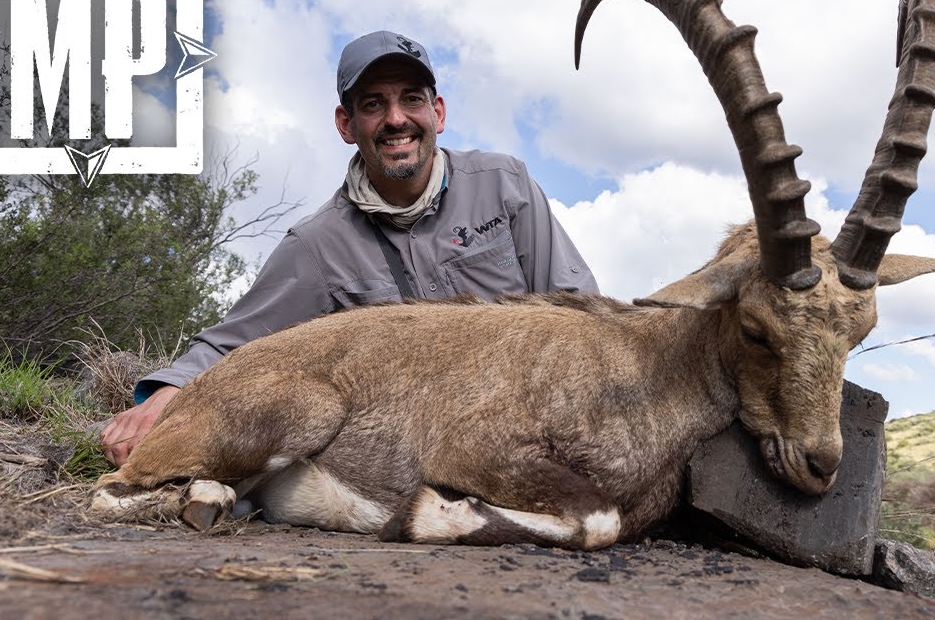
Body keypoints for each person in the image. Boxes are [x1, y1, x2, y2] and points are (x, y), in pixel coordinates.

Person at [100, 31, 599, 466]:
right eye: (373, 104)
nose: (396, 119)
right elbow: (234, 343)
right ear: (346, 124)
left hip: (538, 420)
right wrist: (166, 395)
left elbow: (580, 311)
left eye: (412, 99)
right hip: (423, 449)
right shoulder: (317, 245)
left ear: (438, 112)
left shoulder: (504, 184)